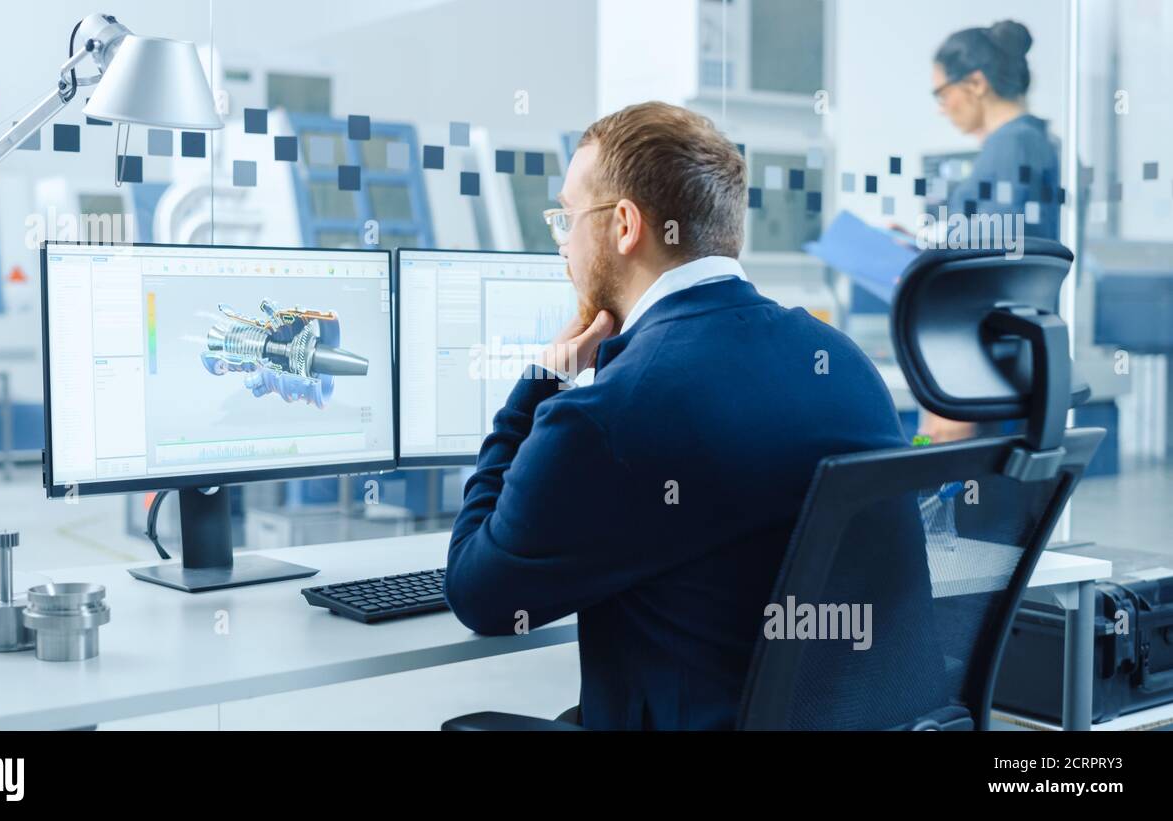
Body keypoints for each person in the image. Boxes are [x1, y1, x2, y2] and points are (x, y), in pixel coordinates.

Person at [442, 102, 924, 730]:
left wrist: (540, 383)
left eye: (567, 217)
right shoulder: (839, 360)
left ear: (622, 225)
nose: (562, 242)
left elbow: (482, 596)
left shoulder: (608, 414)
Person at [922, 19, 1061, 443]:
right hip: (1002, 353)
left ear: (977, 83)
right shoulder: (1033, 142)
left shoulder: (1011, 145)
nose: (941, 106)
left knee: (956, 497)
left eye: (942, 93)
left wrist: (955, 378)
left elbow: (990, 266)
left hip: (982, 357)